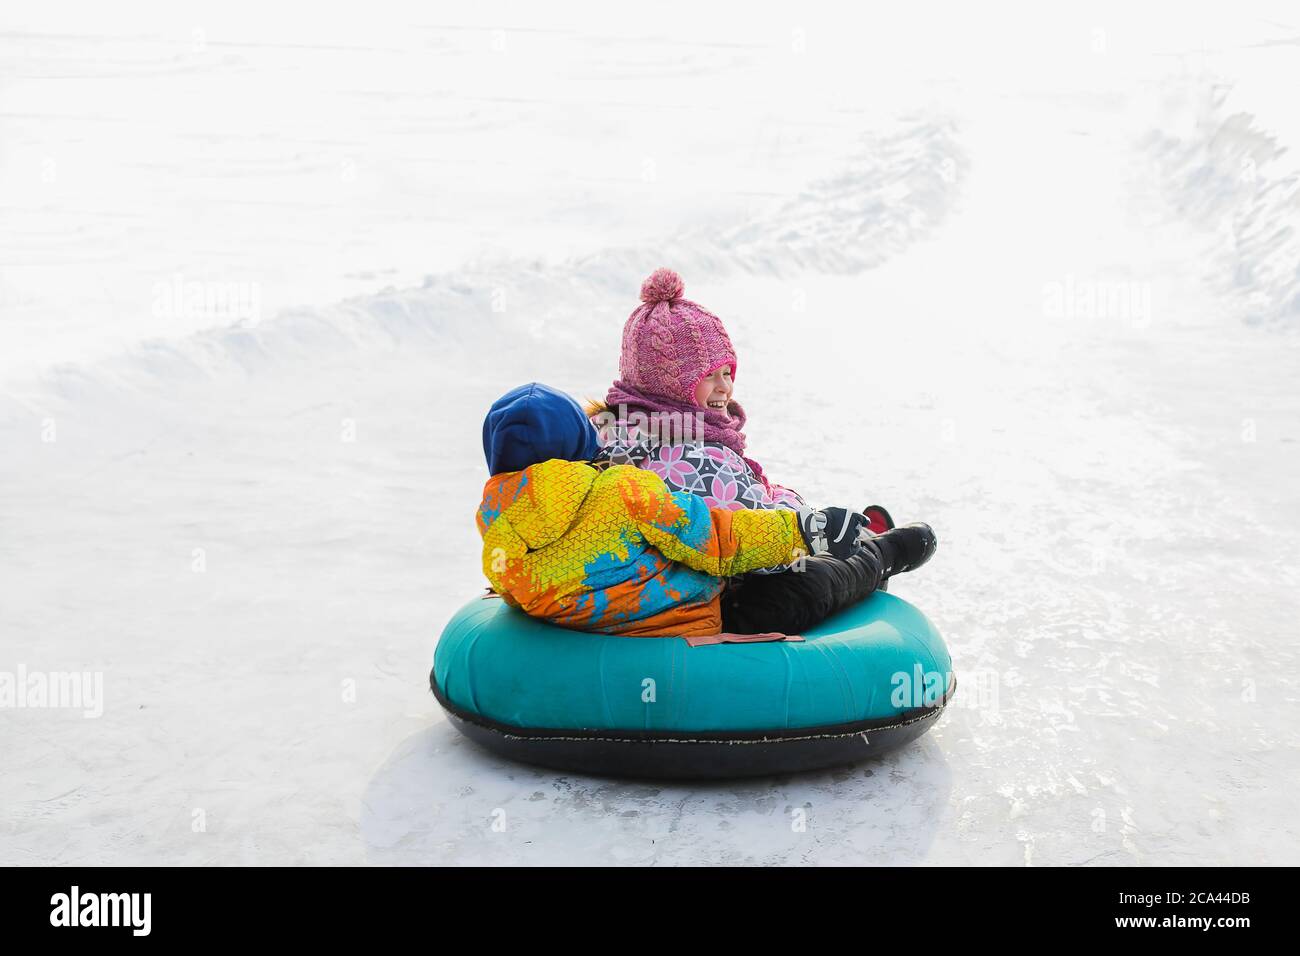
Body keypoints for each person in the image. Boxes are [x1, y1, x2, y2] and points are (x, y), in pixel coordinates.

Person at [587, 267, 937, 634]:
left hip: (646, 589)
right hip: (707, 598)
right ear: (667, 382)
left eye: (727, 372)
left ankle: (854, 538)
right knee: (802, 584)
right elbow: (764, 550)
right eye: (707, 376)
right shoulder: (699, 459)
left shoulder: (606, 430)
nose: (725, 388)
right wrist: (803, 514)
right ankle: (879, 552)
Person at [477, 382, 927, 638]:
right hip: (698, 618)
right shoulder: (623, 490)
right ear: (581, 443)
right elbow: (718, 541)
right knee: (805, 587)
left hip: (597, 633)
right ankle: (884, 551)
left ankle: (863, 543)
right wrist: (805, 528)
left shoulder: (497, 530)